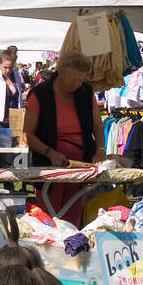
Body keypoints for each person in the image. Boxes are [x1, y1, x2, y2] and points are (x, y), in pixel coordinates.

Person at [23, 50, 106, 223]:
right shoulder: (39, 95)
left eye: (81, 80)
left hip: (81, 165)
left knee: (73, 218)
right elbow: (27, 135)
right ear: (60, 72)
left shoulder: (85, 92)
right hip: (49, 166)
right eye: (73, 79)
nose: (77, 84)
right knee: (49, 219)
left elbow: (98, 125)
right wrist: (50, 153)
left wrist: (100, 149)